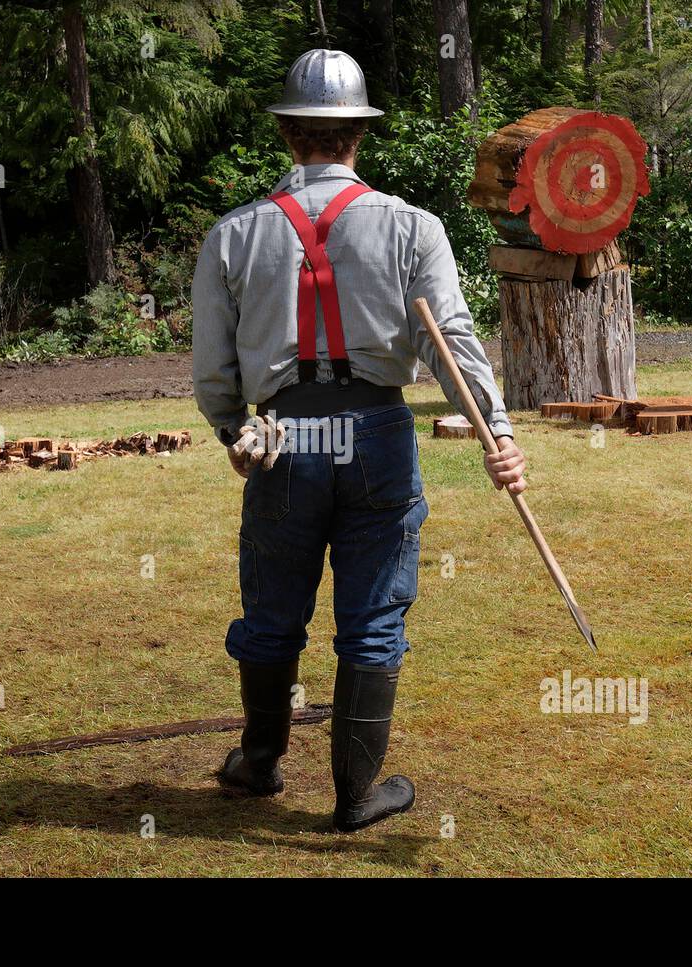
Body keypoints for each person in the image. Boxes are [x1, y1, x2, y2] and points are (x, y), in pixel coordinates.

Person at [191, 49, 526, 833]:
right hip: (378, 431)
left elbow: (213, 369)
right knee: (373, 619)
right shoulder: (415, 227)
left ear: (286, 133)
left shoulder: (232, 235)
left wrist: (232, 431)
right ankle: (354, 796)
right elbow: (455, 347)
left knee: (273, 612)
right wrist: (497, 432)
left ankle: (260, 763)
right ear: (358, 137)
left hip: (281, 436)